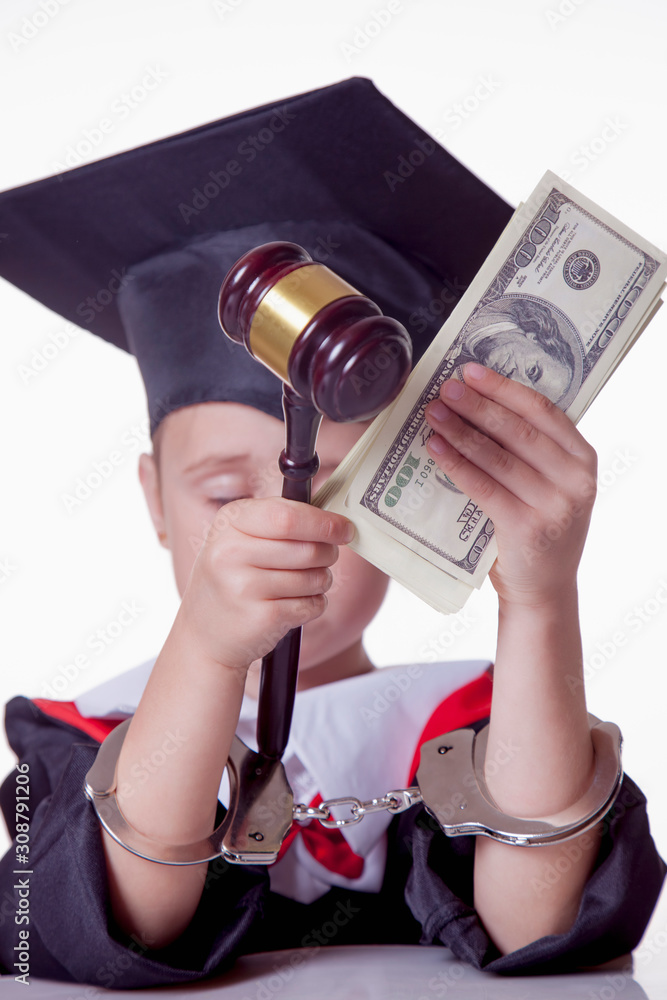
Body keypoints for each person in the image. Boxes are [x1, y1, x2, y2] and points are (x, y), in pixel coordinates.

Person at [0, 78, 664, 987]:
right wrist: (206, 644)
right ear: (154, 501)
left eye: (344, 487)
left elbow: (534, 930)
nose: (286, 526)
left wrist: (541, 599)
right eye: (222, 494)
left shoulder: (468, 730)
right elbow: (127, 927)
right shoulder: (93, 739)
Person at [455, 297, 578, 405]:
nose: (514, 380)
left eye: (523, 390)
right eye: (532, 371)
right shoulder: (495, 306)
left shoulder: (459, 374)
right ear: (536, 339)